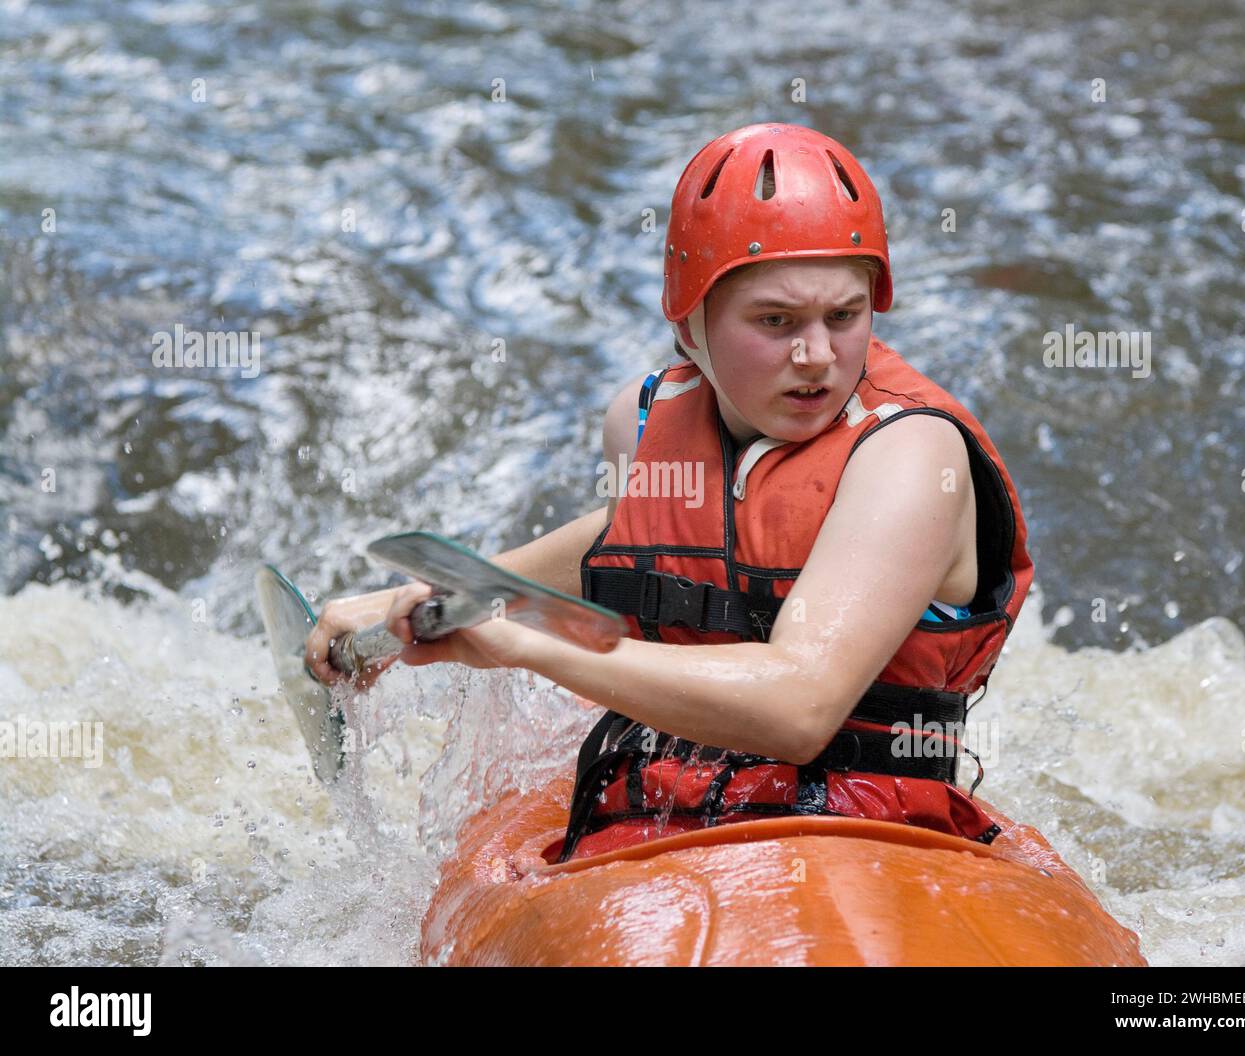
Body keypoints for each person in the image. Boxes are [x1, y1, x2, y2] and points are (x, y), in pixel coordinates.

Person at [305, 122, 1034, 863]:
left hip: (874, 825)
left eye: (843, 317)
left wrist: (527, 646)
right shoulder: (644, 421)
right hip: (659, 806)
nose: (817, 355)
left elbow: (800, 705)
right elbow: (642, 542)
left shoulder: (910, 454)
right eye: (775, 321)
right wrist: (467, 591)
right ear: (690, 324)